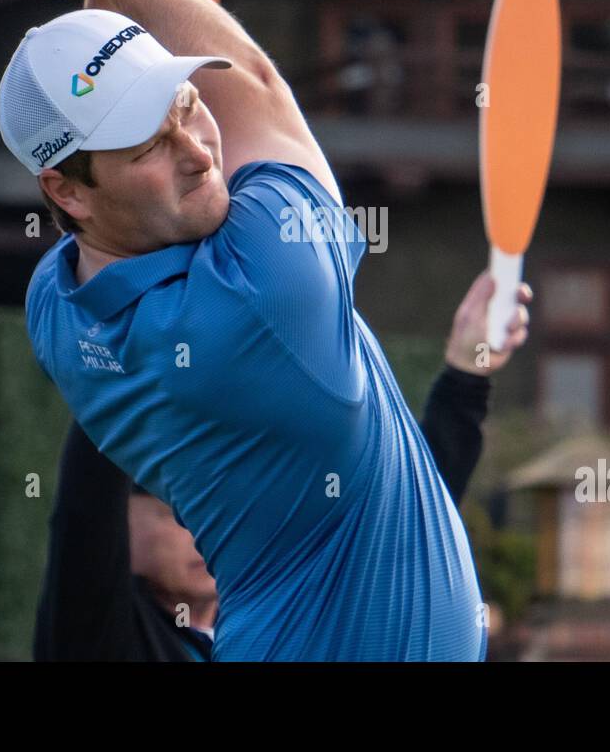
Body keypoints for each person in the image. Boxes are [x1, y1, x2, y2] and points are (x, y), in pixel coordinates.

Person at [0, 0, 530, 660]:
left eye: (187, 104)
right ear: (65, 191)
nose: (197, 150)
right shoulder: (268, 286)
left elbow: (113, 184)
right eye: (149, 145)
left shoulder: (57, 310)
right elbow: (258, 84)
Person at [34, 272, 531, 661]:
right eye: (173, 513)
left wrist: (467, 373)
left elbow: (403, 524)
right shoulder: (99, 630)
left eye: (210, 509)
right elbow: (86, 509)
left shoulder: (282, 615)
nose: (199, 530)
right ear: (123, 524)